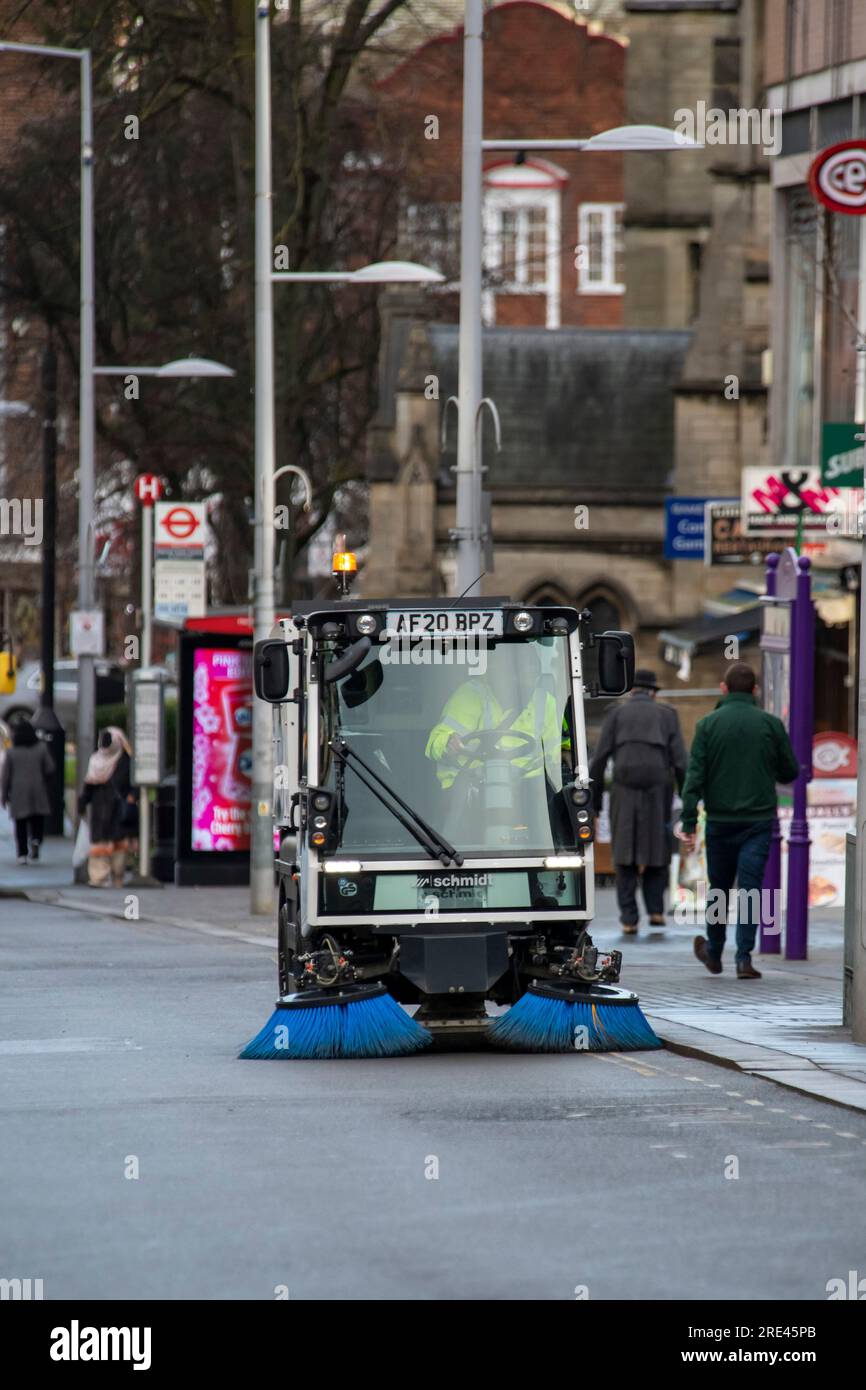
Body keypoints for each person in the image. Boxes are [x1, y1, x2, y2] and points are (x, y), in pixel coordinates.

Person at [679, 660, 799, 980]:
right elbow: (790, 771)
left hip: (719, 822)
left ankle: (714, 952)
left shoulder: (707, 725)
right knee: (750, 890)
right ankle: (744, 958)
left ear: (723, 688)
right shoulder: (771, 725)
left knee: (718, 889)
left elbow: (694, 779)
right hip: (758, 822)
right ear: (755, 690)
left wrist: (689, 823)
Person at [589, 668, 687, 934]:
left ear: (631, 691)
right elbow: (680, 762)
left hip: (623, 791)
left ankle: (629, 918)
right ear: (653, 692)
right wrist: (689, 798)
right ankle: (656, 911)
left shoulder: (616, 714)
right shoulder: (668, 715)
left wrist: (594, 803)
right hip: (658, 792)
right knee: (657, 851)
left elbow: (598, 760)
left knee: (624, 853)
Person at [78, 726, 135, 888]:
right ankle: (100, 878)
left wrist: (83, 803)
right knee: (102, 845)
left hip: (114, 808)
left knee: (115, 845)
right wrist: (82, 803)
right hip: (103, 808)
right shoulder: (119, 760)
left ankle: (114, 877)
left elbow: (88, 785)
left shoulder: (101, 761)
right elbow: (88, 786)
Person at [0, 720, 54, 864]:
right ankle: (36, 839)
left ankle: (22, 854)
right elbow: (50, 768)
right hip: (38, 788)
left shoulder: (11, 752)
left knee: (20, 824)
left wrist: (4, 796)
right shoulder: (41, 748)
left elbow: (5, 776)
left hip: (18, 792)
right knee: (37, 819)